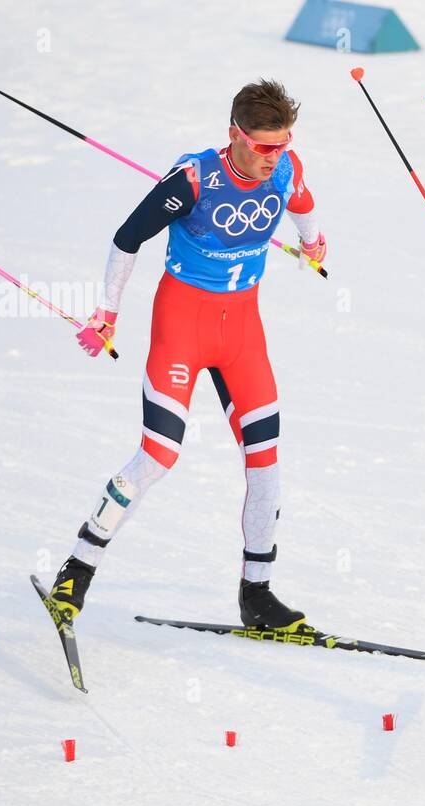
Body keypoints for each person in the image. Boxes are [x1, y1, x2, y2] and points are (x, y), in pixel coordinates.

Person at [47, 78, 327, 632]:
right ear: (235, 135)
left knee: (266, 462)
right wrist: (107, 313)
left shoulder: (286, 168)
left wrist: (314, 242)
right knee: (158, 456)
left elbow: (304, 204)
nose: (275, 157)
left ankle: (258, 596)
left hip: (242, 331)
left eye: (284, 143)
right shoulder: (195, 180)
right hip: (183, 326)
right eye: (264, 146)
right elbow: (128, 238)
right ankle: (75, 573)